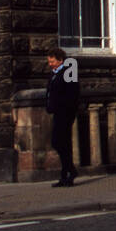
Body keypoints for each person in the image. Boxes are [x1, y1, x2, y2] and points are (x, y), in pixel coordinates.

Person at [45, 47, 79, 187]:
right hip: (57, 113)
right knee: (59, 143)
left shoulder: (69, 72)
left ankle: (70, 171)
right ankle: (66, 174)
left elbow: (73, 94)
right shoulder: (54, 74)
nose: (50, 64)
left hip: (65, 113)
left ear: (60, 60)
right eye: (49, 61)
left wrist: (66, 110)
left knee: (60, 142)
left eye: (52, 61)